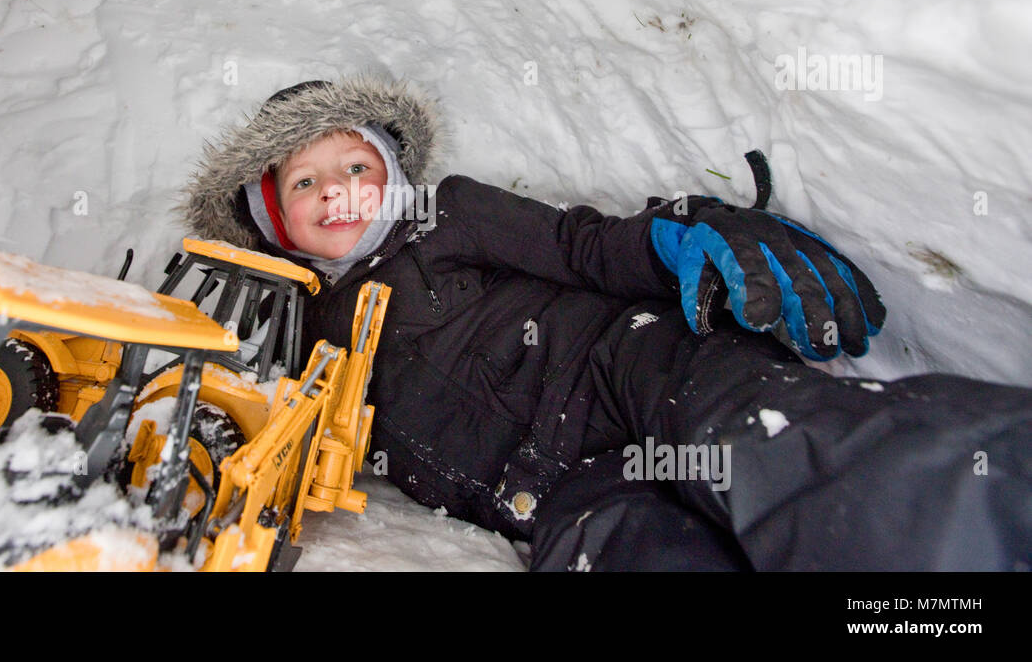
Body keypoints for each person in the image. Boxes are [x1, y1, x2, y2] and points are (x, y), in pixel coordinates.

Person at [181, 76, 1032, 571]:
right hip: (553, 490)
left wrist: (674, 240)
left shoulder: (449, 215)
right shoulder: (303, 331)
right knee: (625, 554)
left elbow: (580, 246)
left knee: (771, 445)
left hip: (629, 366)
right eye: (303, 181)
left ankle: (972, 525)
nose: (334, 188)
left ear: (395, 174)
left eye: (355, 164)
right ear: (269, 219)